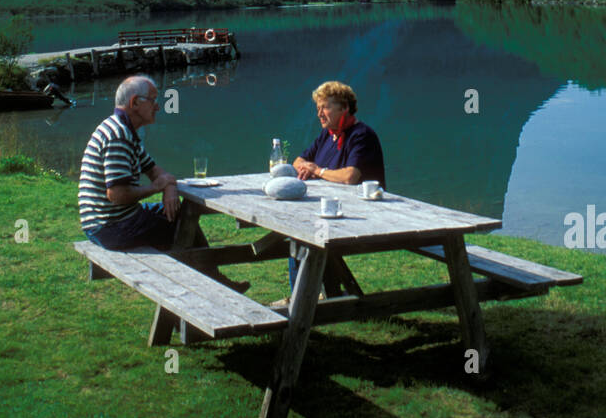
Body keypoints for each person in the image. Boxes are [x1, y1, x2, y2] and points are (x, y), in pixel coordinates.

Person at [78, 74, 248, 290]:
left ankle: (213, 280)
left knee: (179, 212)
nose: (158, 106)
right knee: (183, 224)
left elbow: (157, 171)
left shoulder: (125, 132)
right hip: (110, 227)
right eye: (153, 100)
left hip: (108, 222)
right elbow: (117, 195)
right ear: (135, 103)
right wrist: (156, 187)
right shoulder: (118, 136)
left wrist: (168, 186)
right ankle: (210, 287)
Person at [277, 80, 386, 298]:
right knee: (300, 232)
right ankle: (320, 296)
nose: (319, 114)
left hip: (363, 217)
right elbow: (298, 161)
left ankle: (304, 300)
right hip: (333, 212)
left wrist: (317, 170)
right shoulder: (327, 135)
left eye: (325, 107)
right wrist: (308, 167)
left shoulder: (360, 135)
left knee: (303, 235)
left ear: (344, 107)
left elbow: (349, 176)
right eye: (318, 108)